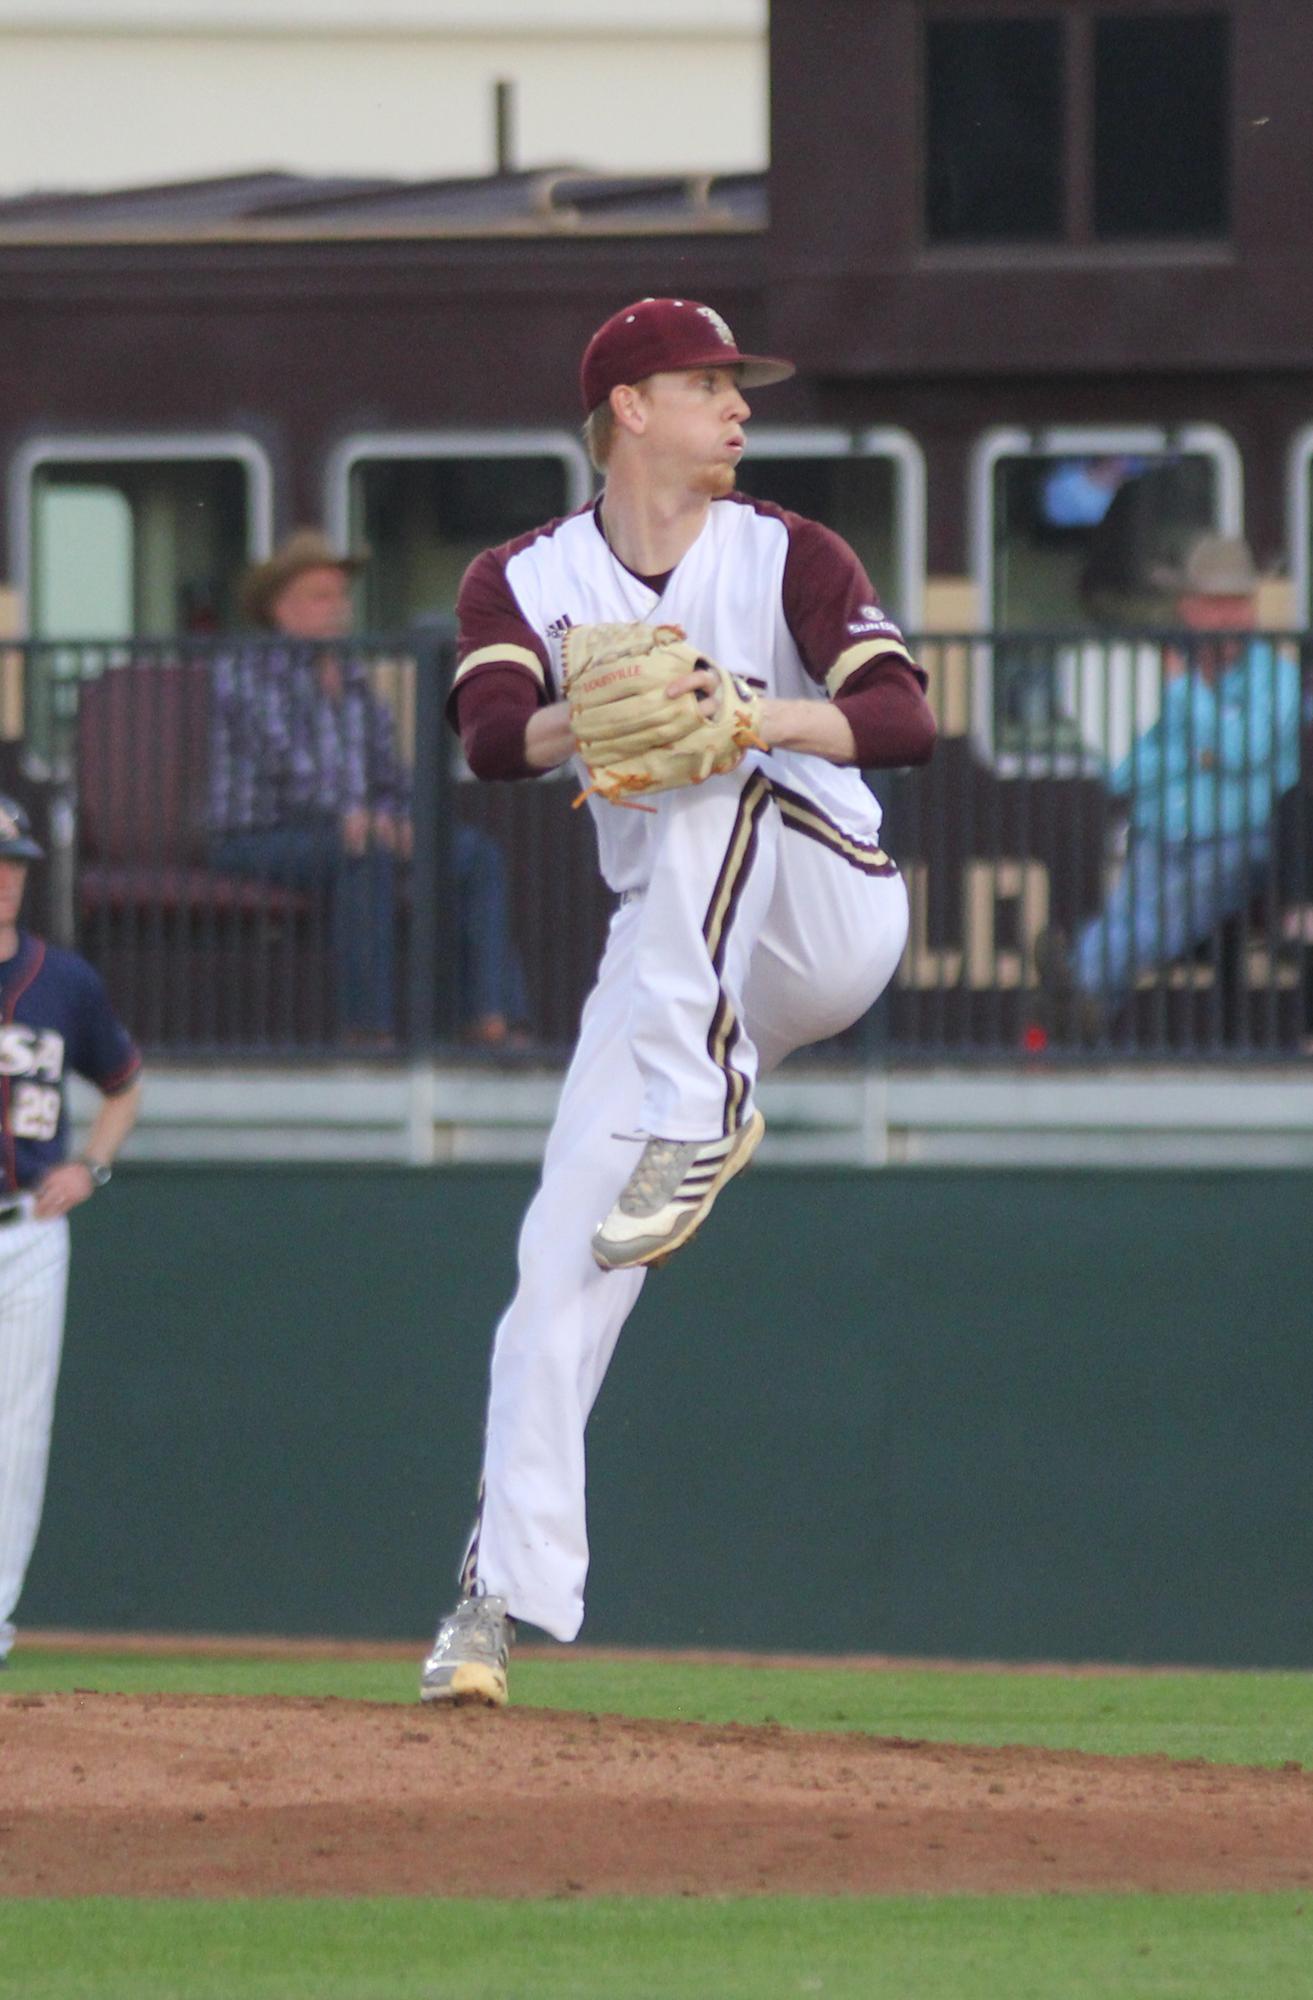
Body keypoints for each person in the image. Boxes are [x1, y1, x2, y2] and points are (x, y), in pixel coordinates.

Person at [419, 296, 936, 1705]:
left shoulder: (786, 552)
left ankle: (697, 1118)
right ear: (629, 407)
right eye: (711, 383)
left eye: (737, 385)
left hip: (828, 907)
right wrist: (592, 715)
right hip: (675, 964)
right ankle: (490, 1604)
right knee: (554, 1266)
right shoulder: (521, 577)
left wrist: (748, 707)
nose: (740, 407)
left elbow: (902, 716)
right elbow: (484, 741)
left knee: (714, 752)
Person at [209, 530, 526, 1046]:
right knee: (363, 852)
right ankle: (368, 1031)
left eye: (341, 596)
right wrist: (357, 819)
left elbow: (389, 773)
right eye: (321, 597)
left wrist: (399, 817)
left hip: (353, 830)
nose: (338, 609)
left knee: (473, 855)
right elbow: (289, 765)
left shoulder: (353, 677)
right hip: (258, 836)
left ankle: (492, 1016)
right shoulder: (248, 672)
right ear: (280, 610)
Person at [1037, 534, 1302, 1035]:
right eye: (1214, 604)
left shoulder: (1277, 678)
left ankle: (1071, 987)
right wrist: (1202, 751)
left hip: (1243, 840)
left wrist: (1187, 699)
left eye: (1237, 604)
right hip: (1160, 832)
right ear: (1188, 609)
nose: (1228, 617)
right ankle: (1076, 1014)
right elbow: (1129, 771)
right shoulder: (1166, 672)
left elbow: (1244, 750)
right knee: (1126, 914)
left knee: (1156, 916)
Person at [0, 797, 142, 1665]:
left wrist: (90, 1166)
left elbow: (122, 1084)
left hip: (27, 1228)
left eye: (15, 861)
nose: (7, 876)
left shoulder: (63, 981)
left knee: (17, 1431)